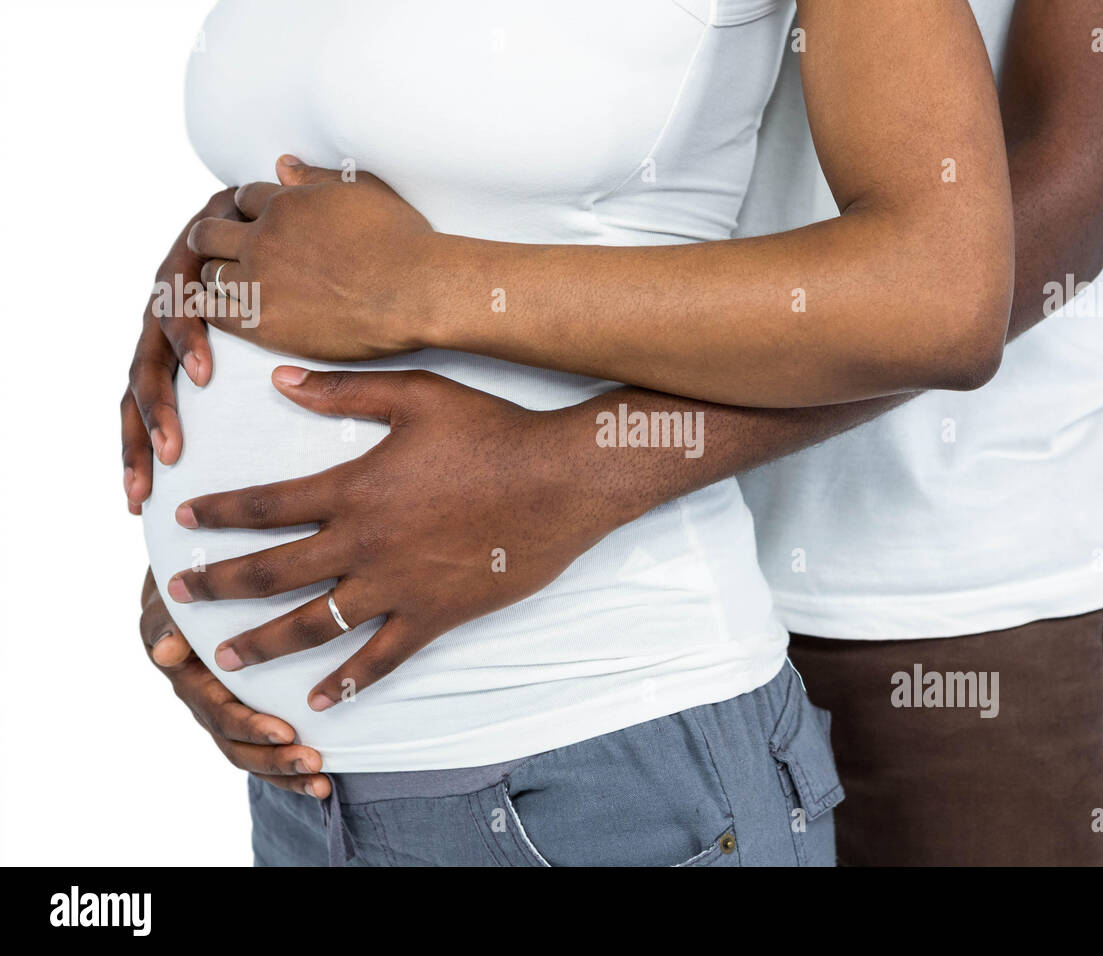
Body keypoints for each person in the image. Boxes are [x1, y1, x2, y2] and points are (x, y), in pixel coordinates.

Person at [123, 0, 1013, 865]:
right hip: (305, 792)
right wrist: (212, 295)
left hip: (593, 764)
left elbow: (940, 295)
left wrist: (427, 288)